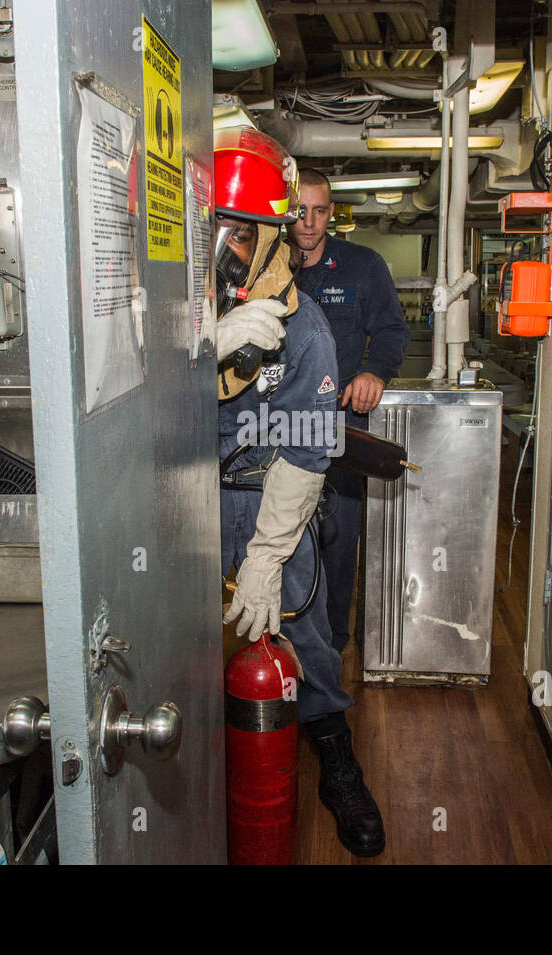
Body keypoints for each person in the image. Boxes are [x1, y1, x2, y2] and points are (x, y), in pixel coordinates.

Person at [213, 127, 385, 858]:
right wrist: (202, 349)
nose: (226, 250)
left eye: (240, 236)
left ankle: (335, 757)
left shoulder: (303, 326)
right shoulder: (166, 315)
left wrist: (264, 554)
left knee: (304, 636)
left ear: (271, 237)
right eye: (214, 232)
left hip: (270, 497)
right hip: (178, 498)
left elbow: (311, 452)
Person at [288, 168, 410, 653]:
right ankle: (287, 647)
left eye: (320, 212)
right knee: (284, 547)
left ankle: (332, 650)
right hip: (279, 432)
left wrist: (374, 371)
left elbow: (391, 331)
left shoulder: (364, 265)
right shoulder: (264, 265)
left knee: (337, 548)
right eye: (301, 212)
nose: (310, 223)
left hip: (340, 431)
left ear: (331, 213)